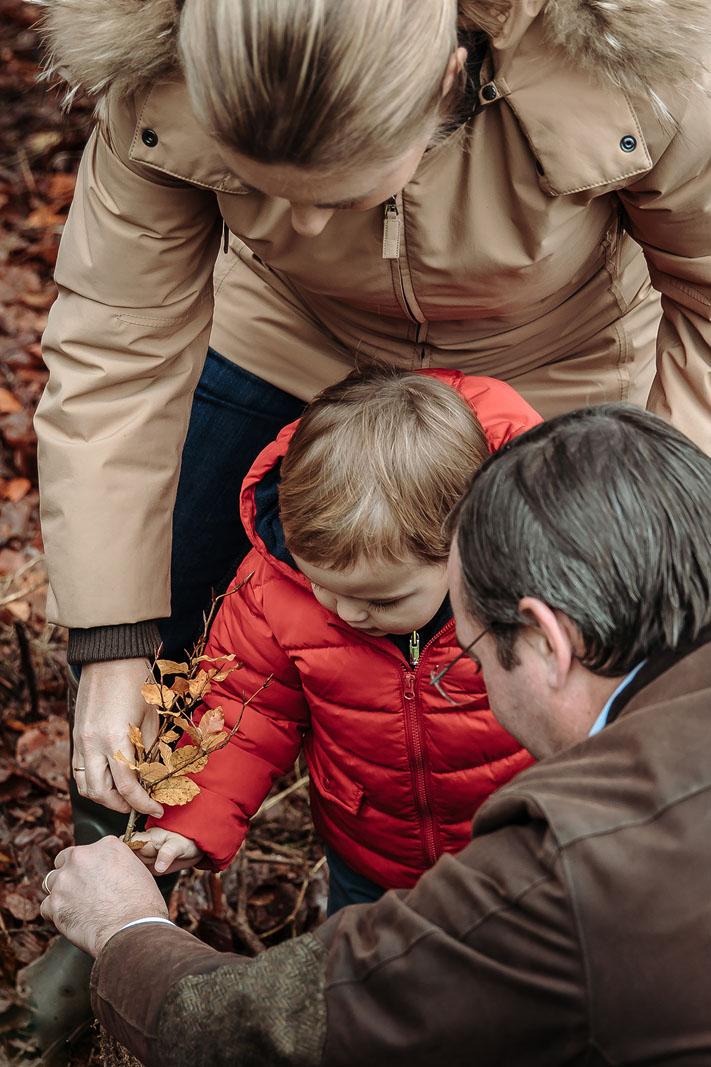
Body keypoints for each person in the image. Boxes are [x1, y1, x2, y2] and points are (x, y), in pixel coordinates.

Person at [34, 0, 711, 836]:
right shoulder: (158, 65)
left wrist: (661, 518)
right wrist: (110, 636)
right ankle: (113, 910)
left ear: (448, 83)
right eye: (261, 189)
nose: (307, 224)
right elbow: (118, 341)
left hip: (556, 359)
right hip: (288, 334)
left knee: (590, 639)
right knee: (148, 600)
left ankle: (560, 882)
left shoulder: (637, 62)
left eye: (340, 192)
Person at [41, 404, 711, 1065]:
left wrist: (127, 930)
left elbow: (297, 1030)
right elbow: (251, 702)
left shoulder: (562, 869)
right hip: (370, 854)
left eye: (472, 655)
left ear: (547, 640)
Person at [135, 369, 538, 910]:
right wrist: (195, 817)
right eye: (325, 586)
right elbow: (243, 710)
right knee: (363, 976)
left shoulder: (533, 586)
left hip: (521, 853)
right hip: (369, 859)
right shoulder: (274, 590)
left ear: (464, 540)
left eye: (382, 601)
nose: (348, 613)